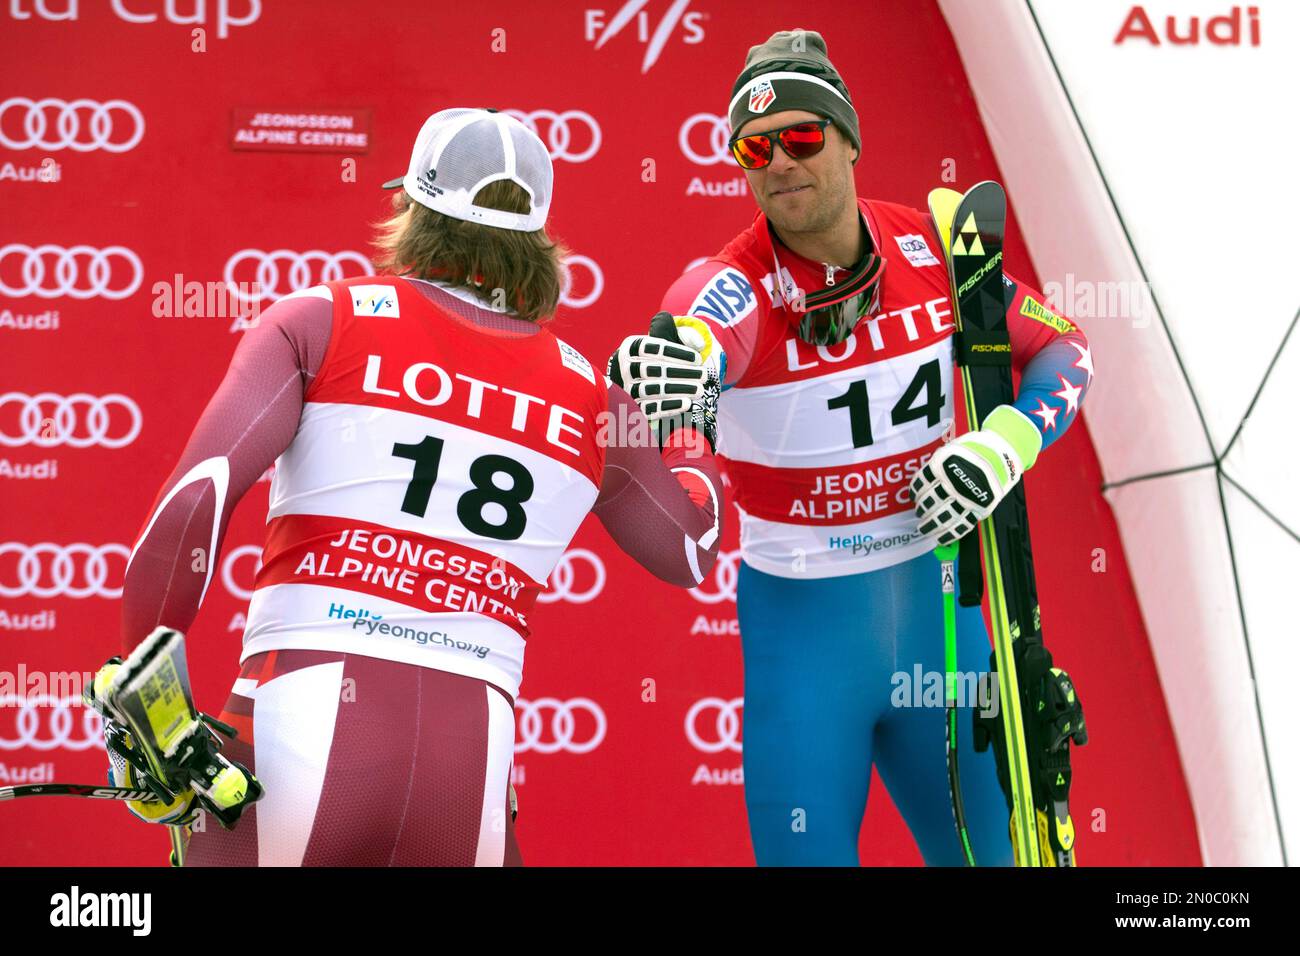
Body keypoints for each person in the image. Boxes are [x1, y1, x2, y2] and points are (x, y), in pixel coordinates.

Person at [115, 108, 723, 866]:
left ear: (413, 214)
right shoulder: (593, 397)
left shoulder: (320, 319)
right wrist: (693, 420)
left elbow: (192, 507)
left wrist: (141, 695)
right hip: (465, 770)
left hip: (294, 730)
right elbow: (692, 551)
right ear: (537, 241)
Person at [611, 31, 1095, 865]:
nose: (779, 162)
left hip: (947, 619)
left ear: (849, 139)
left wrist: (1001, 446)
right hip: (807, 638)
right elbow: (697, 333)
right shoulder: (735, 284)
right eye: (754, 148)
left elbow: (1064, 346)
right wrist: (675, 363)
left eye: (802, 137)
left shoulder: (933, 250)